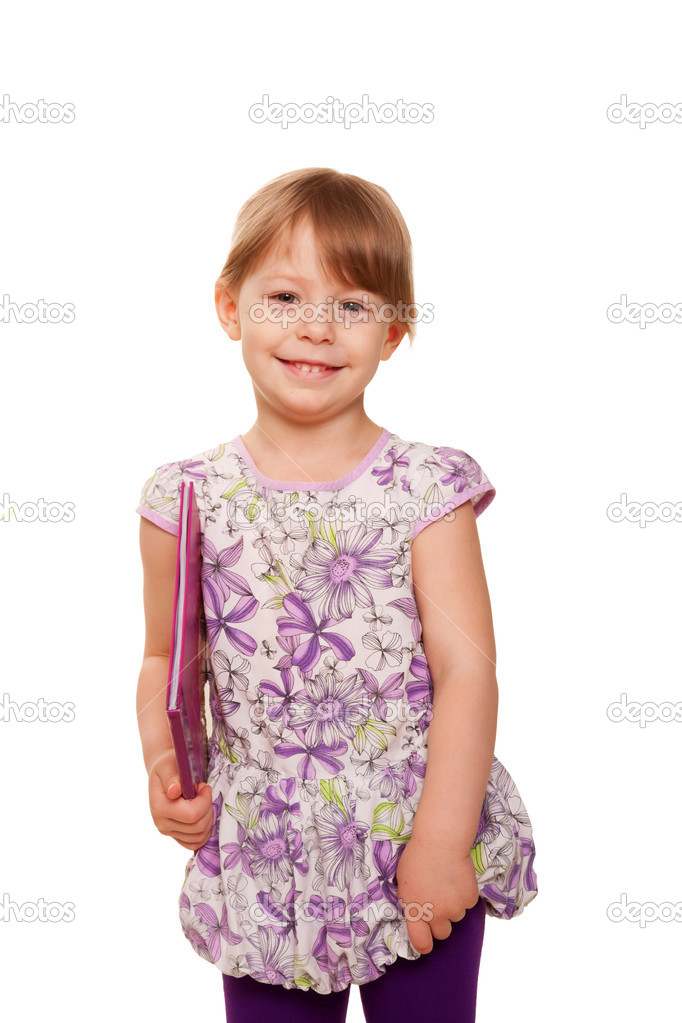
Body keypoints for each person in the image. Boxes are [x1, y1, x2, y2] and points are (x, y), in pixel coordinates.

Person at [135, 167, 537, 1023]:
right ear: (229, 306)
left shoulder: (427, 487)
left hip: (414, 829)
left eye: (353, 305)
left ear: (394, 331)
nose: (316, 326)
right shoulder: (184, 498)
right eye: (284, 295)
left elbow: (468, 671)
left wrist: (438, 839)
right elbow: (165, 658)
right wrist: (165, 768)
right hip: (265, 854)